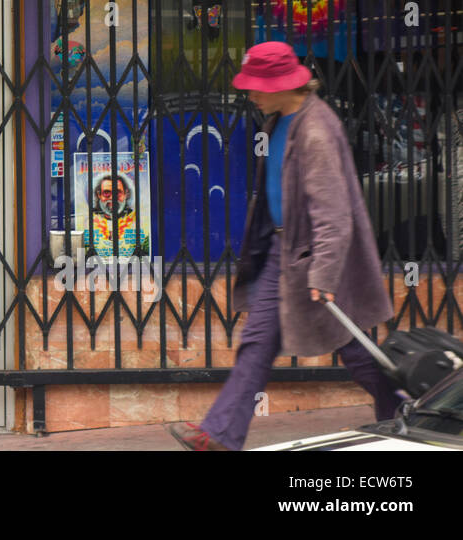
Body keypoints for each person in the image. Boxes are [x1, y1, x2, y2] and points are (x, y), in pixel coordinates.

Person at [168, 41, 399, 450]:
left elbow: (333, 212)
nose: (249, 93)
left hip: (314, 258)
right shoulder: (283, 119)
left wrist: (325, 272)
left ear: (281, 85)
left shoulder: (316, 129)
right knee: (258, 340)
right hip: (284, 252)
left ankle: (404, 413)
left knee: (354, 347)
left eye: (256, 85)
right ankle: (219, 435)